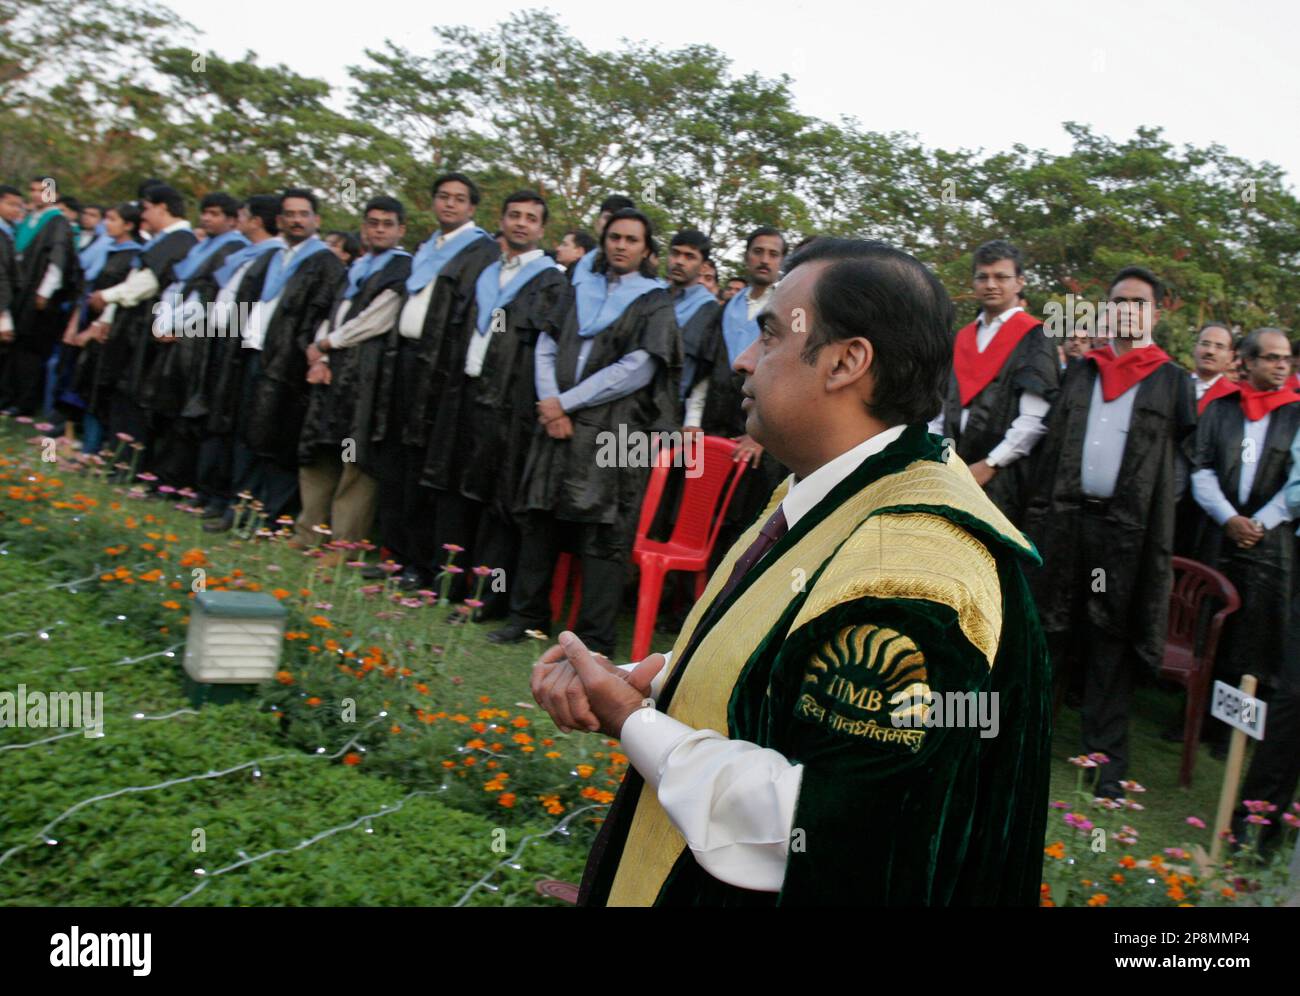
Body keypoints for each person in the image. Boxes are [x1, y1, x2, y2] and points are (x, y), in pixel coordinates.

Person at [531, 237, 1051, 906]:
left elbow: (814, 820)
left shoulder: (915, 566)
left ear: (845, 362)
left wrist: (633, 719)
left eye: (771, 336)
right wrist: (663, 679)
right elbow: (788, 667)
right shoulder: (837, 487)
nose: (744, 361)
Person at [1023, 266, 1195, 797]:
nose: (1126, 309)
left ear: (1156, 312)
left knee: (1108, 642)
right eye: (1118, 300)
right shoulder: (1083, 371)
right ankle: (1023, 745)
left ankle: (1106, 767)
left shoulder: (1173, 380)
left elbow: (1184, 461)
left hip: (1123, 535)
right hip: (1067, 522)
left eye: (1138, 302)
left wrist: (1155, 508)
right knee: (1048, 633)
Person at [489, 208, 679, 654]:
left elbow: (637, 368)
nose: (621, 245)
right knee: (539, 519)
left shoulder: (655, 301)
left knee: (605, 534)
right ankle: (528, 618)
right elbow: (546, 344)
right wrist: (550, 404)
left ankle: (594, 638)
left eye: (632, 240)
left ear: (647, 250)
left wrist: (564, 403)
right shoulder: (576, 287)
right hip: (556, 420)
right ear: (603, 241)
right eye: (614, 237)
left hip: (619, 433)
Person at [420, 190, 570, 612]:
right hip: (464, 396)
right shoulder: (484, 272)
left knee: (496, 504)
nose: (521, 223)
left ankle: (487, 598)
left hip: (511, 409)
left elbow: (546, 350)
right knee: (454, 493)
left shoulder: (551, 281)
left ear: (542, 228)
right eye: (514, 214)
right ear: (501, 220)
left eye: (531, 218)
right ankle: (445, 583)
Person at [370, 172, 498, 586]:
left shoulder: (481, 250)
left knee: (425, 469)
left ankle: (422, 565)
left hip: (439, 373)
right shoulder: (426, 248)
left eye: (459, 198)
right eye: (442, 196)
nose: (449, 204)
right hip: (405, 362)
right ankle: (396, 554)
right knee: (396, 464)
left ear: (472, 208)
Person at [218, 188, 344, 528]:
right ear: (280, 220)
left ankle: (267, 515)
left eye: (304, 214)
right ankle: (239, 507)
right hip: (254, 353)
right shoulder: (271, 257)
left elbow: (324, 315)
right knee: (248, 432)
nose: (297, 220)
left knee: (278, 438)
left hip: (291, 364)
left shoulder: (326, 263)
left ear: (316, 220)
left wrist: (312, 358)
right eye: (290, 214)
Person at [296, 196, 412, 553]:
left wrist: (328, 345)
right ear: (363, 227)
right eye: (373, 222)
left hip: (368, 374)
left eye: (387, 223)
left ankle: (344, 544)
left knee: (354, 458)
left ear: (400, 230)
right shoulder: (357, 267)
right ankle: (307, 533)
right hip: (334, 370)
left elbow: (375, 320)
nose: (379, 229)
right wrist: (320, 356)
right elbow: (335, 311)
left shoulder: (402, 269)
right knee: (320, 451)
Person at [1191, 328, 1300, 692]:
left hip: (1270, 539)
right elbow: (1201, 467)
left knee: (1258, 629)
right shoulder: (1223, 408)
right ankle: (1193, 714)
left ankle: (1233, 730)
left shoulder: (1296, 413)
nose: (1282, 365)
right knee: (1210, 622)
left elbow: (1295, 484)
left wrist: (1257, 523)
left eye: (1286, 358)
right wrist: (1229, 518)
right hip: (1220, 531)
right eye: (1272, 358)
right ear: (1248, 361)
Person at [927, 240, 1057, 524]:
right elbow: (941, 408)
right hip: (952, 470)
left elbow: (1034, 418)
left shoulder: (1035, 337)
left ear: (1019, 282)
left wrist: (989, 465)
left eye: (1001, 277)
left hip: (1005, 477)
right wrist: (940, 456)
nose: (991, 284)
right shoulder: (961, 338)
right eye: (982, 277)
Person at [684, 226, 788, 565]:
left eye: (773, 254)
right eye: (758, 251)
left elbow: (789, 380)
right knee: (699, 518)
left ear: (781, 262)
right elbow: (702, 374)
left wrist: (763, 436)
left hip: (758, 442)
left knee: (741, 527)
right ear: (747, 257)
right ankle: (681, 609)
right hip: (713, 430)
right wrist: (692, 423)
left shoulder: (788, 313)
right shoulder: (723, 311)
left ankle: (723, 607)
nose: (764, 260)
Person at [143, 192, 249, 489]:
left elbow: (209, 297)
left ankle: (174, 480)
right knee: (163, 405)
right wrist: (161, 320)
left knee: (184, 410)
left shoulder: (234, 249)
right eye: (205, 213)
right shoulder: (202, 246)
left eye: (215, 214)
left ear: (232, 219)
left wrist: (179, 327)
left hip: (197, 339)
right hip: (173, 331)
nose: (207, 219)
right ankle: (155, 472)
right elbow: (177, 286)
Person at [196, 194, 285, 522]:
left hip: (242, 346)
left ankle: (229, 499)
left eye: (243, 215)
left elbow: (249, 305)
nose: (239, 220)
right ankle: (212, 493)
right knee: (218, 420)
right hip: (225, 341)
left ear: (257, 221)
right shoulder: (249, 254)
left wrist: (233, 337)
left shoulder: (272, 255)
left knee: (236, 425)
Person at [88, 183, 195, 446]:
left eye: (146, 209)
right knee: (119, 390)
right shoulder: (161, 241)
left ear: (162, 208)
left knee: (133, 394)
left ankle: (124, 457)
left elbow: (148, 282)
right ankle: (112, 452)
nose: (143, 216)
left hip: (147, 328)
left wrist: (106, 296)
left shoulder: (181, 241)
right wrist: (107, 319)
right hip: (131, 326)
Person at [60, 202, 144, 455]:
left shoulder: (133, 256)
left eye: (113, 219)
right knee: (80, 380)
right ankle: (72, 436)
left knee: (97, 387)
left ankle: (93, 447)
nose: (107, 223)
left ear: (129, 225)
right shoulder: (110, 250)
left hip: (108, 329)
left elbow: (119, 298)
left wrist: (94, 327)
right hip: (89, 319)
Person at [3, 175, 80, 415]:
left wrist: (45, 292)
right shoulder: (28, 220)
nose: (37, 195)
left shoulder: (57, 222)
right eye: (33, 190)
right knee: (14, 349)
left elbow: (58, 261)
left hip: (38, 298)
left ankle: (24, 403)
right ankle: (8, 397)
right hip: (20, 294)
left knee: (30, 352)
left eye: (42, 190)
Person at [666, 229, 721, 406]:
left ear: (704, 266)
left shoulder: (708, 309)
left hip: (668, 405)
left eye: (689, 256)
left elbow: (689, 368)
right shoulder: (653, 295)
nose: (679, 261)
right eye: (675, 253)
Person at [568, 195, 634, 287]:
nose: (611, 225)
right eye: (607, 218)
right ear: (597, 223)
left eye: (618, 219)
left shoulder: (636, 271)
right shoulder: (579, 267)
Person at [1191, 323, 1239, 414]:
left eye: (1219, 347)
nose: (1210, 351)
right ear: (1194, 348)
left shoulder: (1235, 397)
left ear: (1230, 356)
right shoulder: (1175, 385)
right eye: (1205, 344)